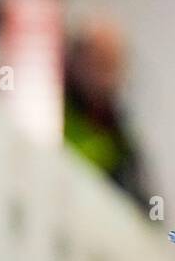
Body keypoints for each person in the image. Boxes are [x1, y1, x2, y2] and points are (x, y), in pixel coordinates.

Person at [63, 18, 151, 206]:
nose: (109, 77)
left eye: (115, 65)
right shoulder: (49, 110)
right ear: (77, 58)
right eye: (101, 61)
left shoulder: (121, 136)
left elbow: (142, 201)